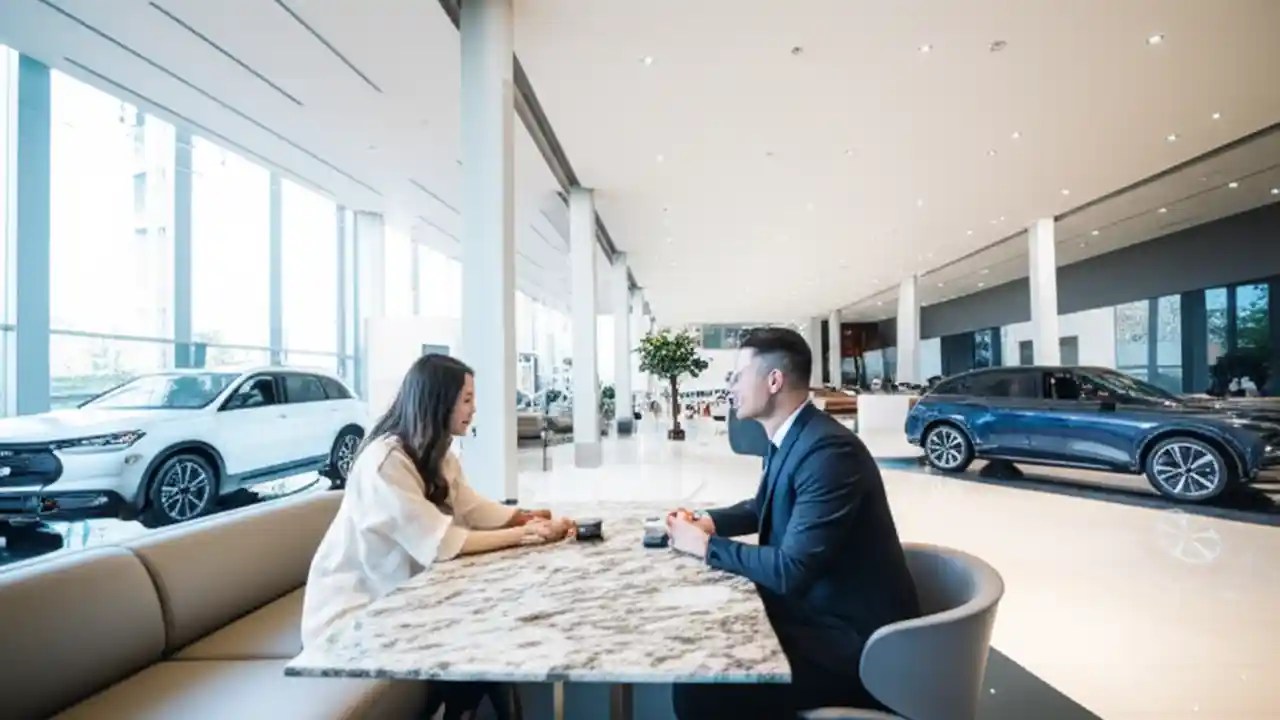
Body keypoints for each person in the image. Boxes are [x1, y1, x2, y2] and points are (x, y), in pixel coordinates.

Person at [666, 327, 920, 719]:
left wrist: (703, 547)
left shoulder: (829, 452)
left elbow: (791, 570)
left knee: (701, 688)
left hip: (851, 644)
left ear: (773, 381)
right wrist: (708, 521)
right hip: (815, 616)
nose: (729, 386)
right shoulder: (796, 437)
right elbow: (761, 505)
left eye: (737, 375)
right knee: (709, 639)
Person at [302, 354, 574, 718]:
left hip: (401, 597)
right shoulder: (385, 463)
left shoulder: (436, 451)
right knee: (479, 635)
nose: (474, 409)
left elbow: (470, 506)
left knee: (492, 625)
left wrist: (522, 517)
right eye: (466, 399)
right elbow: (443, 543)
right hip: (355, 616)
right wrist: (526, 534)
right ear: (437, 401)